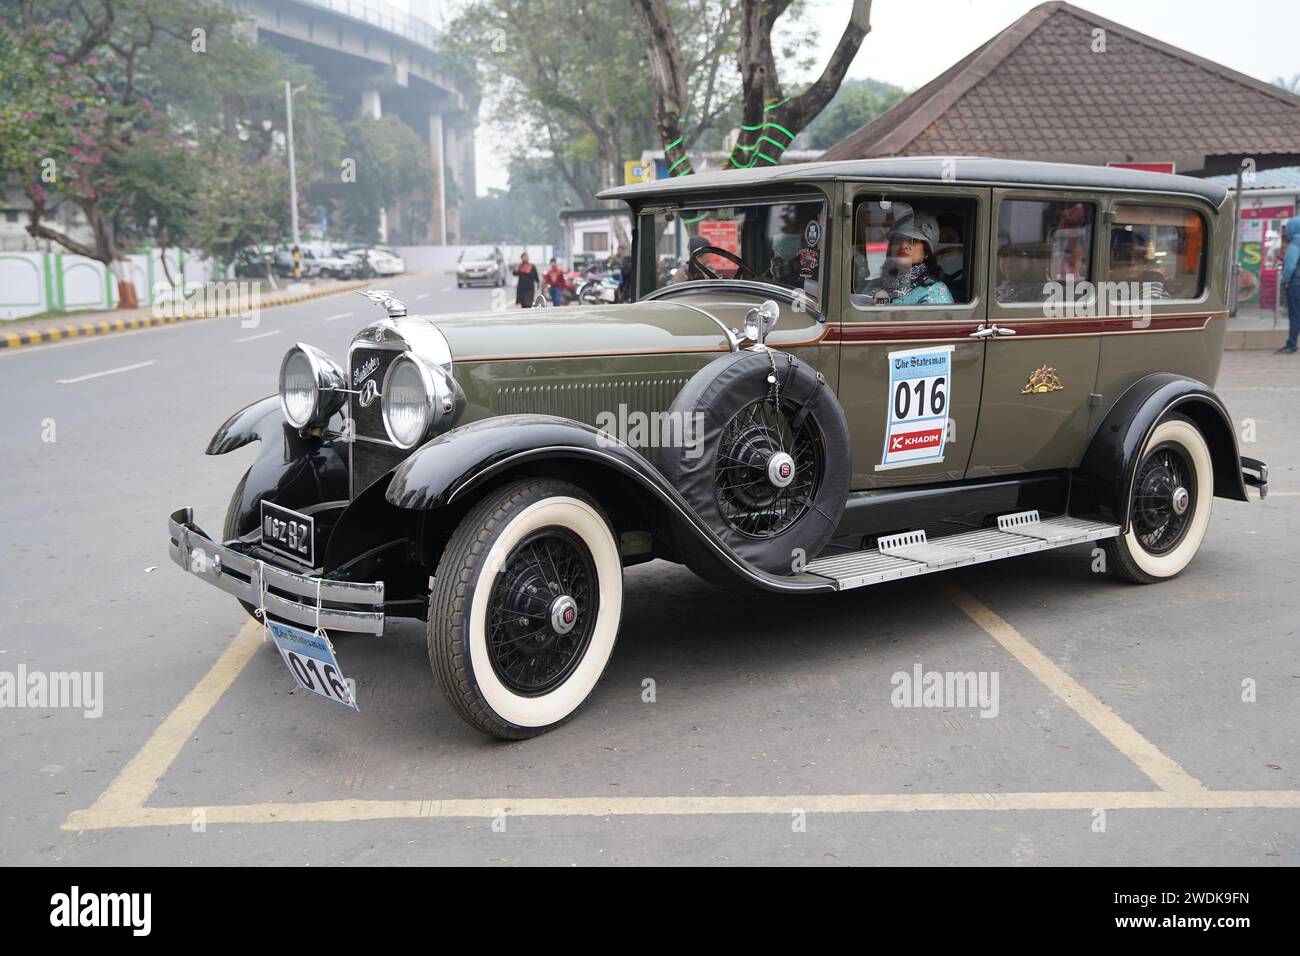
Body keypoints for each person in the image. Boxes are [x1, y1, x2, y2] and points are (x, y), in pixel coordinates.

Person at [859, 214, 954, 305]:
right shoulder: (874, 284)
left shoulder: (936, 291)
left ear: (926, 252)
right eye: (899, 239)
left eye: (913, 240)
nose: (903, 245)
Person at [1277, 216, 1300, 355]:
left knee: (1295, 315)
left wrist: (1285, 281)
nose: (1286, 232)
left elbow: (1290, 266)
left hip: (1296, 285)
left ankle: (1291, 344)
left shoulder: (1295, 244)